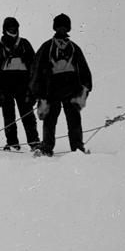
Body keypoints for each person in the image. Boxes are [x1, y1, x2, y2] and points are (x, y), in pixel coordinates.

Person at [29, 13, 93, 156]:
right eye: (59, 27)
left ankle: (77, 147)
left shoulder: (74, 48)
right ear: (55, 28)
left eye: (65, 27)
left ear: (68, 29)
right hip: (51, 93)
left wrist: (84, 90)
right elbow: (36, 70)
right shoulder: (46, 47)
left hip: (72, 92)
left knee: (74, 121)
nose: (62, 30)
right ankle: (47, 147)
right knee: (49, 121)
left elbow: (84, 71)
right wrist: (38, 94)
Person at [0, 16, 41, 151]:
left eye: (15, 28)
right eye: (10, 28)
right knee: (9, 117)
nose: (13, 30)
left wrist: (34, 88)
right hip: (5, 89)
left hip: (23, 88)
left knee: (28, 116)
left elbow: (34, 66)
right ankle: (12, 143)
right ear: (5, 30)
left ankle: (34, 142)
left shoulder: (25, 45)